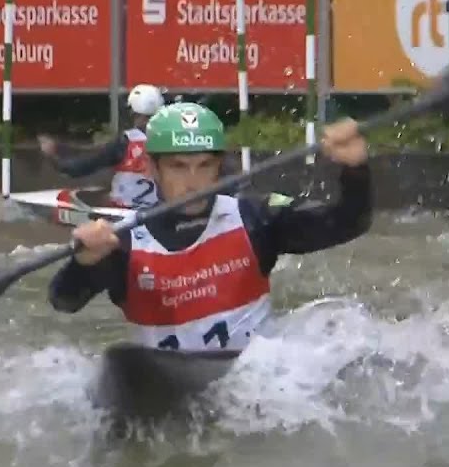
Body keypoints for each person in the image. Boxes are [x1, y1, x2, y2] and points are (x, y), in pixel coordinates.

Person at [46, 101, 372, 354]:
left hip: (259, 383)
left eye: (204, 166)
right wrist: (83, 263)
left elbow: (349, 222)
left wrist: (355, 170)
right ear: (152, 169)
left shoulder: (254, 217)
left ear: (219, 166)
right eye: (178, 167)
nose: (193, 182)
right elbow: (63, 301)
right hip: (169, 385)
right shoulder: (125, 240)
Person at [37, 84, 166, 209]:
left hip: (124, 212)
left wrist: (52, 156)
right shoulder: (168, 140)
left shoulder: (124, 142)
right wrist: (60, 147)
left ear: (133, 112)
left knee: (69, 197)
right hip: (158, 210)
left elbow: (79, 168)